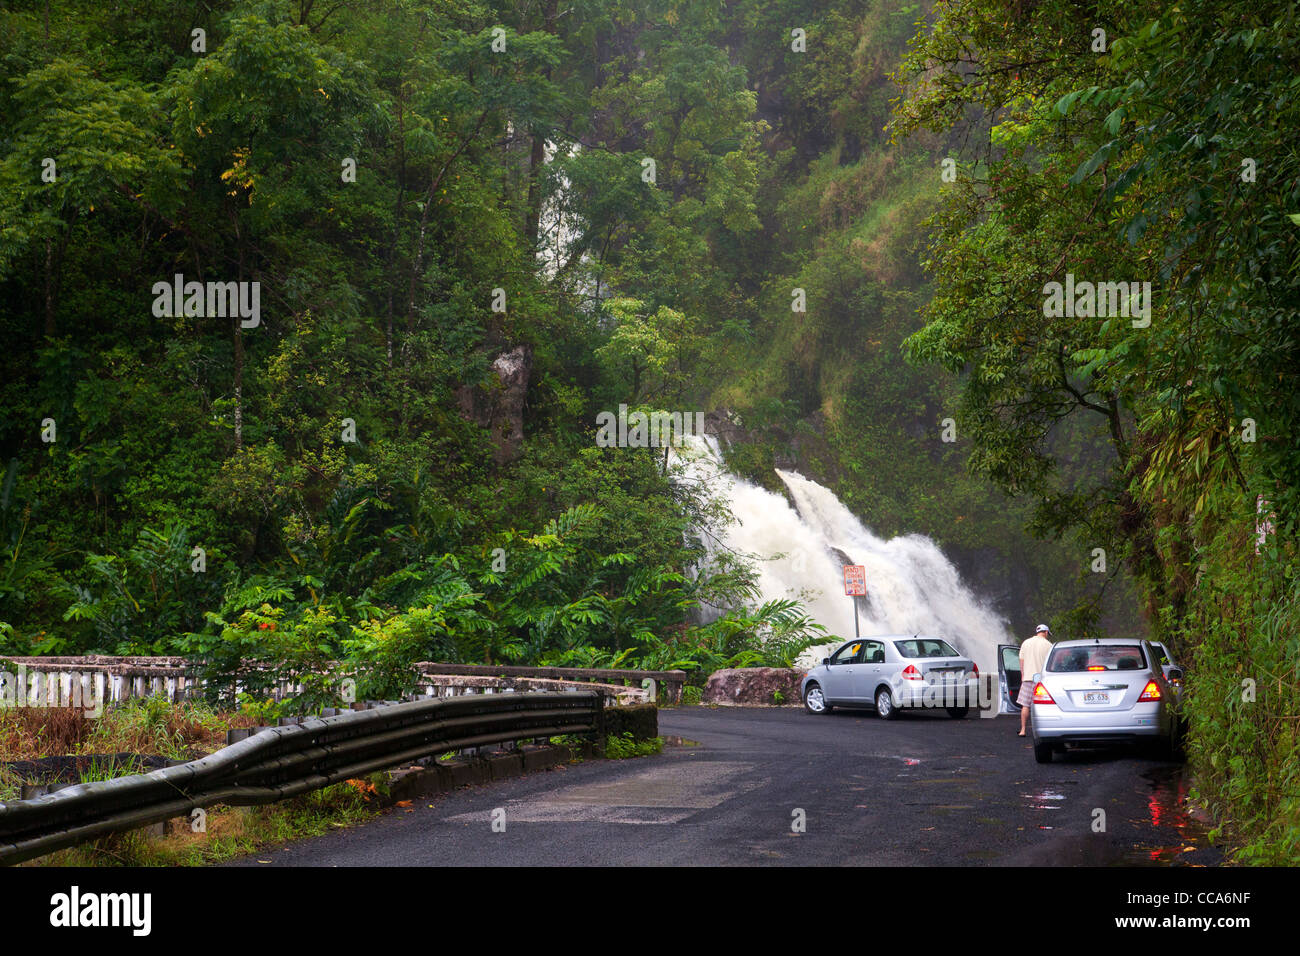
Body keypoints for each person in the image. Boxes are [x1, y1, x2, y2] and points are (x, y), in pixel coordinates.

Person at [1018, 624, 1054, 737]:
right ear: (1046, 632)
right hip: (1041, 678)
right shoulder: (1049, 645)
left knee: (1025, 705)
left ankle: (1023, 730)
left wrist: (1022, 675)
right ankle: (1045, 729)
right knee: (1044, 705)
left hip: (1028, 676)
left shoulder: (1026, 643)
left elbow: (1021, 662)